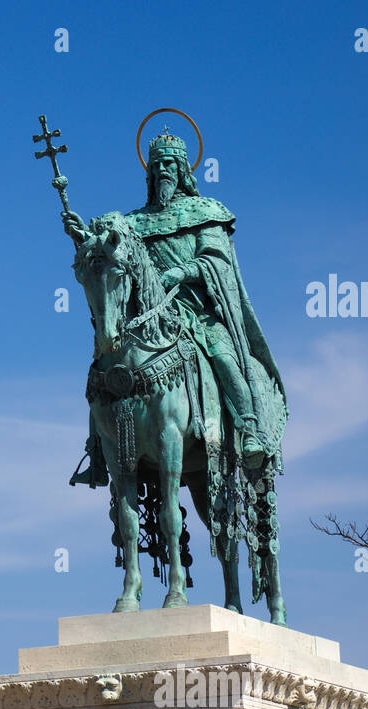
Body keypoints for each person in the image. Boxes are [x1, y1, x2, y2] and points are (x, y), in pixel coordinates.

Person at [63, 128, 286, 480]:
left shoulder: (205, 211)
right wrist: (84, 238)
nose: (163, 169)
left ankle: (248, 429)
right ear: (148, 172)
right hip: (149, 319)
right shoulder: (133, 223)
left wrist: (180, 274)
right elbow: (114, 258)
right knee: (104, 367)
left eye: (170, 163)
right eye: (156, 165)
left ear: (183, 170)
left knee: (224, 358)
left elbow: (217, 263)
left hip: (198, 312)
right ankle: (97, 452)